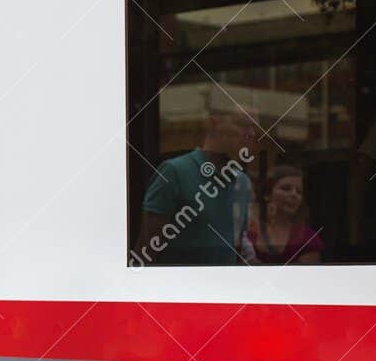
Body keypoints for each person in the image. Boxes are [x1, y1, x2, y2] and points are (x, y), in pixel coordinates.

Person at [137, 109, 258, 265]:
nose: (252, 133)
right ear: (212, 124)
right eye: (243, 124)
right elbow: (145, 253)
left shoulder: (243, 183)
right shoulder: (174, 172)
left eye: (254, 127)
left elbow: (236, 252)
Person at [247, 165, 322, 264]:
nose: (294, 195)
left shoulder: (308, 237)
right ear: (267, 194)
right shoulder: (248, 230)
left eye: (299, 191)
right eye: (286, 188)